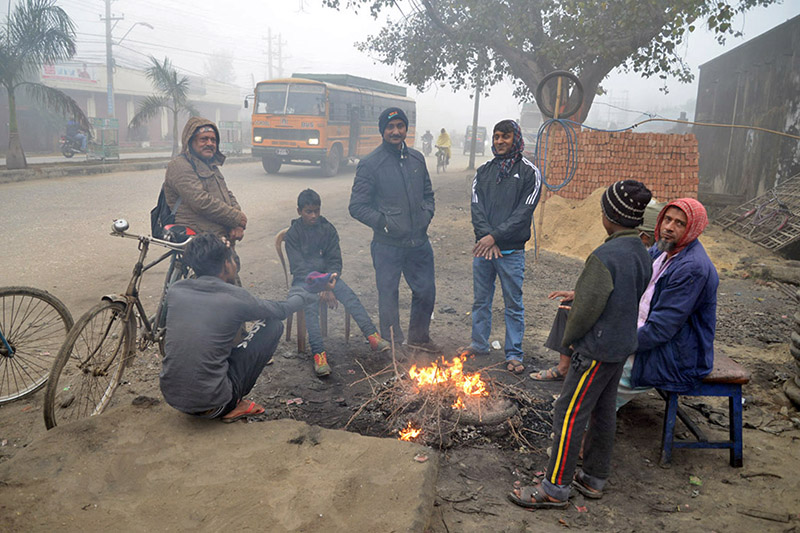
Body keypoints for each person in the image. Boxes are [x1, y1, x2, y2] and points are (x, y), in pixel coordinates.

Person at [509, 180, 653, 510]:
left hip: (596, 350)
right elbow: (626, 291)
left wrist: (571, 340)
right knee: (603, 411)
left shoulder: (604, 255)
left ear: (609, 216)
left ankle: (555, 487)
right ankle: (593, 478)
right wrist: (586, 295)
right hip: (620, 346)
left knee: (569, 413)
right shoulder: (641, 251)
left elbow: (585, 312)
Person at [159, 233, 329, 422]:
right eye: (232, 258)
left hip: (173, 397)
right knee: (272, 325)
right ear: (226, 265)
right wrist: (307, 293)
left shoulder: (177, 290)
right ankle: (236, 402)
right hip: (215, 405)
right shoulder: (234, 297)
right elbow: (281, 310)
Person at [531, 198, 665, 382]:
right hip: (623, 329)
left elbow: (612, 302)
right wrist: (579, 294)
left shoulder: (612, 255)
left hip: (615, 337)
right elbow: (618, 288)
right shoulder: (643, 254)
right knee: (568, 305)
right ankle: (563, 367)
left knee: (570, 408)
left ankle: (572, 368)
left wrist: (572, 339)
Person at [349, 107, 437, 352]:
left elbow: (428, 194)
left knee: (426, 291)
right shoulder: (370, 164)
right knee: (388, 296)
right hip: (387, 245)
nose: (396, 131)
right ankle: (394, 345)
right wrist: (385, 223)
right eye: (390, 127)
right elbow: (357, 206)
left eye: (400, 126)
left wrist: (425, 215)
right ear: (382, 131)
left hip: (419, 242)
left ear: (406, 129)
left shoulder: (417, 159)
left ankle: (419, 338)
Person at [284, 188, 391, 377]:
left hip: (328, 279)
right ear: (299, 211)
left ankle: (372, 335)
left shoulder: (328, 229)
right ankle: (319, 354)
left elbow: (335, 261)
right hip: (303, 281)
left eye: (317, 210)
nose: (314, 215)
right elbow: (299, 268)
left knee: (349, 295)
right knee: (310, 304)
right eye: (309, 211)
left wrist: (329, 282)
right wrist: (321, 286)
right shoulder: (293, 233)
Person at [465, 119, 542, 374]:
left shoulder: (530, 172)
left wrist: (495, 237)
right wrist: (487, 238)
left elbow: (524, 212)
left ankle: (514, 354)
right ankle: (479, 344)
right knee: (481, 300)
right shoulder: (483, 171)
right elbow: (477, 208)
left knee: (513, 304)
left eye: (505, 136)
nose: (499, 141)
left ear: (515, 139)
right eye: (496, 136)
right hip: (484, 249)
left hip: (511, 252)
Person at [625, 198, 718, 401]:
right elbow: (630, 278)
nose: (669, 227)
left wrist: (619, 341)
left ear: (693, 229)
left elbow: (660, 329)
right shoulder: (663, 249)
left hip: (679, 354)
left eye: (679, 223)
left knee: (605, 373)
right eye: (667, 219)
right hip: (647, 331)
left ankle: (590, 426)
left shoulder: (692, 268)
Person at [163, 117, 247, 247]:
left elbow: (227, 195)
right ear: (190, 141)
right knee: (228, 266)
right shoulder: (179, 165)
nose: (210, 143)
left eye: (213, 140)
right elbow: (200, 201)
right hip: (197, 234)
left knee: (233, 265)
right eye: (204, 139)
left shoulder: (210, 165)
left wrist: (237, 223)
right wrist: (237, 218)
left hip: (217, 231)